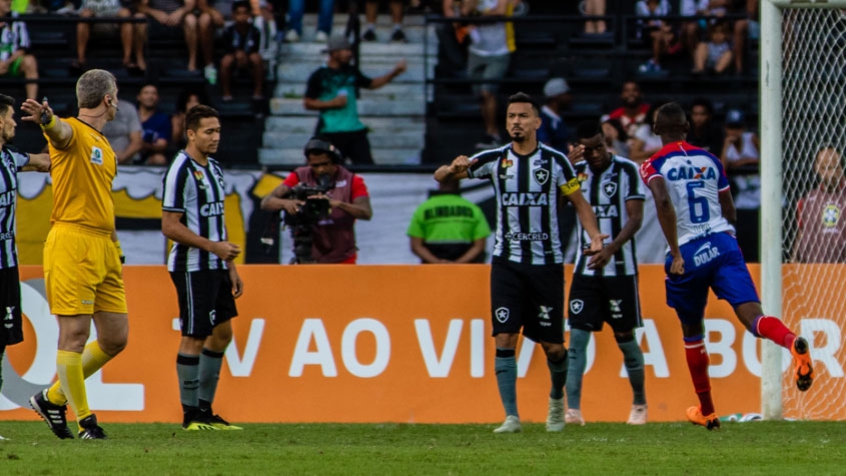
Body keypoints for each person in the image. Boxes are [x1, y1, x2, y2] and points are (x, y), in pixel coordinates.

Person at [434, 93, 607, 433]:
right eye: (511, 116)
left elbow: (579, 202)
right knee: (504, 337)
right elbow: (442, 176)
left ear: (537, 122)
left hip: (546, 264)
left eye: (523, 116)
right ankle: (511, 416)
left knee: (554, 347)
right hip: (506, 263)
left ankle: (556, 401)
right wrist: (451, 168)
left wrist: (596, 237)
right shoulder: (495, 159)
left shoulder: (557, 162)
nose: (516, 121)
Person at [639, 102, 813, 430]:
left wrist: (676, 253)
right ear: (688, 127)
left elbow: (662, 201)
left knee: (692, 332)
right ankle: (793, 343)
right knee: (753, 317)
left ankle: (708, 410)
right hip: (722, 243)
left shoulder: (653, 164)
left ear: (657, 129)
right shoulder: (711, 159)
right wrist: (725, 237)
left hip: (688, 252)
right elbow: (729, 208)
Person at [23, 69, 129, 440]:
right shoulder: (72, 131)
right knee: (75, 335)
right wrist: (48, 120)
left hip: (103, 245)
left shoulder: (105, 145)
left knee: (116, 337)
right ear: (108, 99)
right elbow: (60, 134)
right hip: (73, 239)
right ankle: (86, 422)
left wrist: (115, 246)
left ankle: (51, 398)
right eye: (116, 94)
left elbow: (102, 200)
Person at [161, 105, 244, 431]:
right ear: (191, 133)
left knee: (222, 334)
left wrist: (230, 265)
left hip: (216, 264)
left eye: (218, 131)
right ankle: (190, 415)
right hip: (192, 265)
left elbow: (218, 224)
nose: (216, 137)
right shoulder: (179, 170)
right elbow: (169, 226)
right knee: (195, 336)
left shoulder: (216, 169)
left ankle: (206, 411)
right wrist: (213, 248)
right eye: (209, 131)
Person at [565, 121, 647, 427]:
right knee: (577, 340)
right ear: (579, 148)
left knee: (625, 339)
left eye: (600, 146)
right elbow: (557, 204)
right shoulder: (576, 171)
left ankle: (639, 403)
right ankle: (573, 411)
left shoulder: (626, 170)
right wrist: (565, 170)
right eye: (588, 149)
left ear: (606, 140)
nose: (596, 153)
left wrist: (611, 249)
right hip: (583, 270)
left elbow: (635, 219)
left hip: (620, 269)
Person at [0, 94, 50, 440]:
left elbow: (45, 162)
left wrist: (51, 124)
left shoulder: (9, 157)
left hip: (6, 265)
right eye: (10, 118)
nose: (15, 123)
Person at [260, 137, 373, 264]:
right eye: (315, 165)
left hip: (342, 254)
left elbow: (366, 213)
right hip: (308, 250)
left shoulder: (353, 181)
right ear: (308, 163)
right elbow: (266, 202)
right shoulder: (299, 176)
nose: (321, 169)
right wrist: (286, 203)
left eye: (325, 164)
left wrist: (339, 204)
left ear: (334, 161)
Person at [304, 36, 406, 165]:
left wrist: (394, 73)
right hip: (331, 132)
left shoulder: (351, 71)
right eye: (346, 50)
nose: (350, 53)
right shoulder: (319, 75)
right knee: (333, 170)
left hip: (355, 130)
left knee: (367, 169)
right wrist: (331, 103)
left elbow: (371, 84)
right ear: (334, 53)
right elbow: (308, 103)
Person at [464, 0, 514, 149]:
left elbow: (500, 12)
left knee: (488, 91)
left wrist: (477, 16)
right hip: (476, 51)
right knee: (479, 94)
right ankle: (489, 132)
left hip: (499, 52)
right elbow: (466, 12)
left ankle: (494, 133)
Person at [406, 180, 491, 263]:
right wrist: (457, 264)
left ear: (439, 185)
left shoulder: (423, 210)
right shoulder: (473, 210)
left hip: (432, 270)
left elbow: (416, 246)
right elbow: (479, 247)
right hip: (465, 270)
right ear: (458, 185)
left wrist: (438, 263)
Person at [793, 147, 846, 263]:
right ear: (816, 168)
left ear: (842, 167)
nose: (831, 174)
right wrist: (794, 263)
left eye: (835, 167)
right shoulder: (807, 200)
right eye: (825, 168)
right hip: (811, 271)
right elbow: (801, 234)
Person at [720, 108, 760, 261]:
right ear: (726, 129)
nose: (734, 132)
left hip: (761, 189)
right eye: (731, 128)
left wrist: (746, 161)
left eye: (737, 128)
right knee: (741, 228)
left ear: (743, 128)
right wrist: (725, 147)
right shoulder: (728, 146)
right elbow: (721, 170)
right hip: (744, 194)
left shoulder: (751, 138)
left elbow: (770, 157)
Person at [73, 0, 147, 75]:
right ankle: (80, 59)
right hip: (92, 23)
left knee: (126, 14)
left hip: (115, 21)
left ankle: (127, 59)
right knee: (83, 18)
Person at [138, 0, 201, 73]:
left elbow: (190, 4)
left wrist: (180, 13)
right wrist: (154, 13)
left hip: (179, 17)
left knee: (191, 20)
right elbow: (140, 6)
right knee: (139, 17)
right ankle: (140, 59)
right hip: (154, 18)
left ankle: (192, 61)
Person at [220, 1, 263, 101]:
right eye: (238, 13)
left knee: (256, 58)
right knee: (226, 61)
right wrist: (236, 54)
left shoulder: (255, 31)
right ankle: (226, 93)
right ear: (233, 15)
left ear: (249, 15)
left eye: (245, 13)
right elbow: (227, 48)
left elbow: (255, 47)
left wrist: (245, 55)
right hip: (234, 56)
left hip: (249, 56)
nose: (242, 17)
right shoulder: (228, 31)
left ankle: (258, 92)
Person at [0, 0, 38, 99]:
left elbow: (24, 47)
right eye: (5, 0)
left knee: (30, 61)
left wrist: (6, 62)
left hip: (11, 62)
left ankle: (31, 105)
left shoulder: (16, 18)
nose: (9, 2)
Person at [138, 84, 172, 165]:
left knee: (159, 159)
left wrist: (138, 144)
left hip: (149, 156)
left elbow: (162, 144)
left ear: (158, 98)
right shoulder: (130, 115)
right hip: (127, 154)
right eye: (146, 93)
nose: (150, 96)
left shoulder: (162, 118)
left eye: (153, 93)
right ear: (139, 97)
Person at [102, 99, 143, 164]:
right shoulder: (90, 109)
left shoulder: (128, 108)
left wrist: (124, 156)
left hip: (125, 163)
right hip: (98, 160)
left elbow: (137, 141)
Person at [537, 78, 572, 153]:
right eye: (566, 94)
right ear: (556, 97)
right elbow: (545, 147)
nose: (569, 98)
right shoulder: (542, 120)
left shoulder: (558, 119)